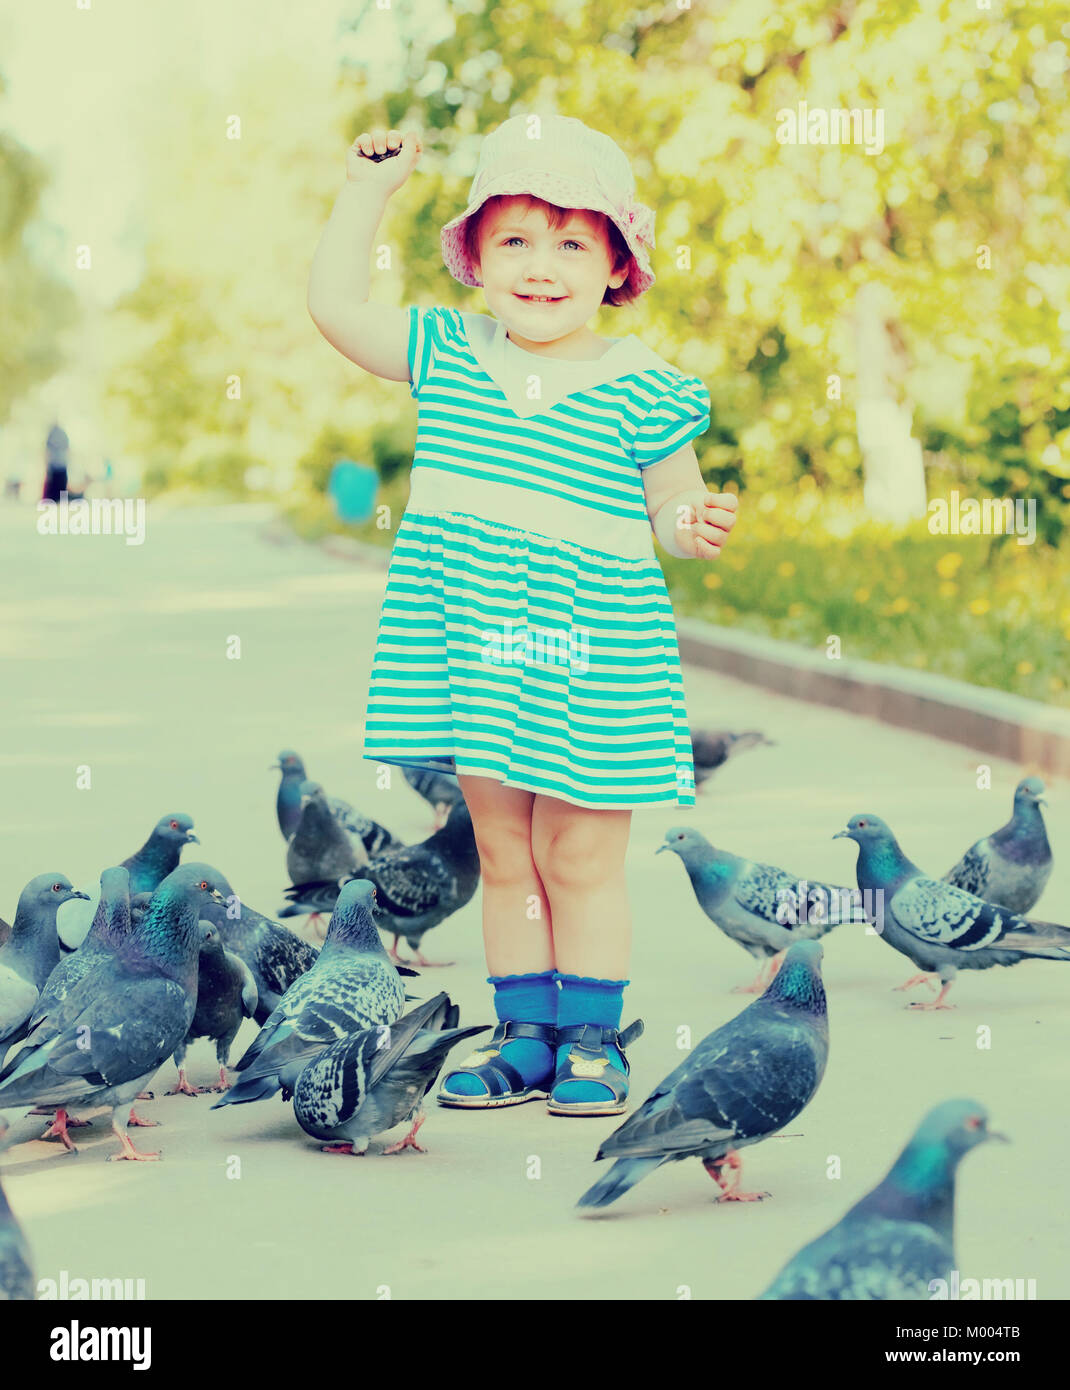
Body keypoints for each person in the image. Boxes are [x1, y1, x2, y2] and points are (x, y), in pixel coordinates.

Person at [307, 114, 739, 1117]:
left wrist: (692, 522)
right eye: (515, 238)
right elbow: (334, 305)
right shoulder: (445, 350)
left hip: (594, 652)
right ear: (475, 257)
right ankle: (522, 1034)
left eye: (571, 241)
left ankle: (591, 1036)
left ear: (615, 265)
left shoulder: (642, 384)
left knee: (578, 854)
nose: (541, 265)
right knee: (502, 852)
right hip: (474, 648)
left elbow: (673, 505)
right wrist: (366, 190)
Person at [42, 422, 69, 503]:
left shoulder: (53, 434)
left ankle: (58, 500)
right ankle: (57, 500)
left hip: (57, 464)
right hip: (57, 464)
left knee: (58, 483)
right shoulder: (58, 434)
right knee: (57, 484)